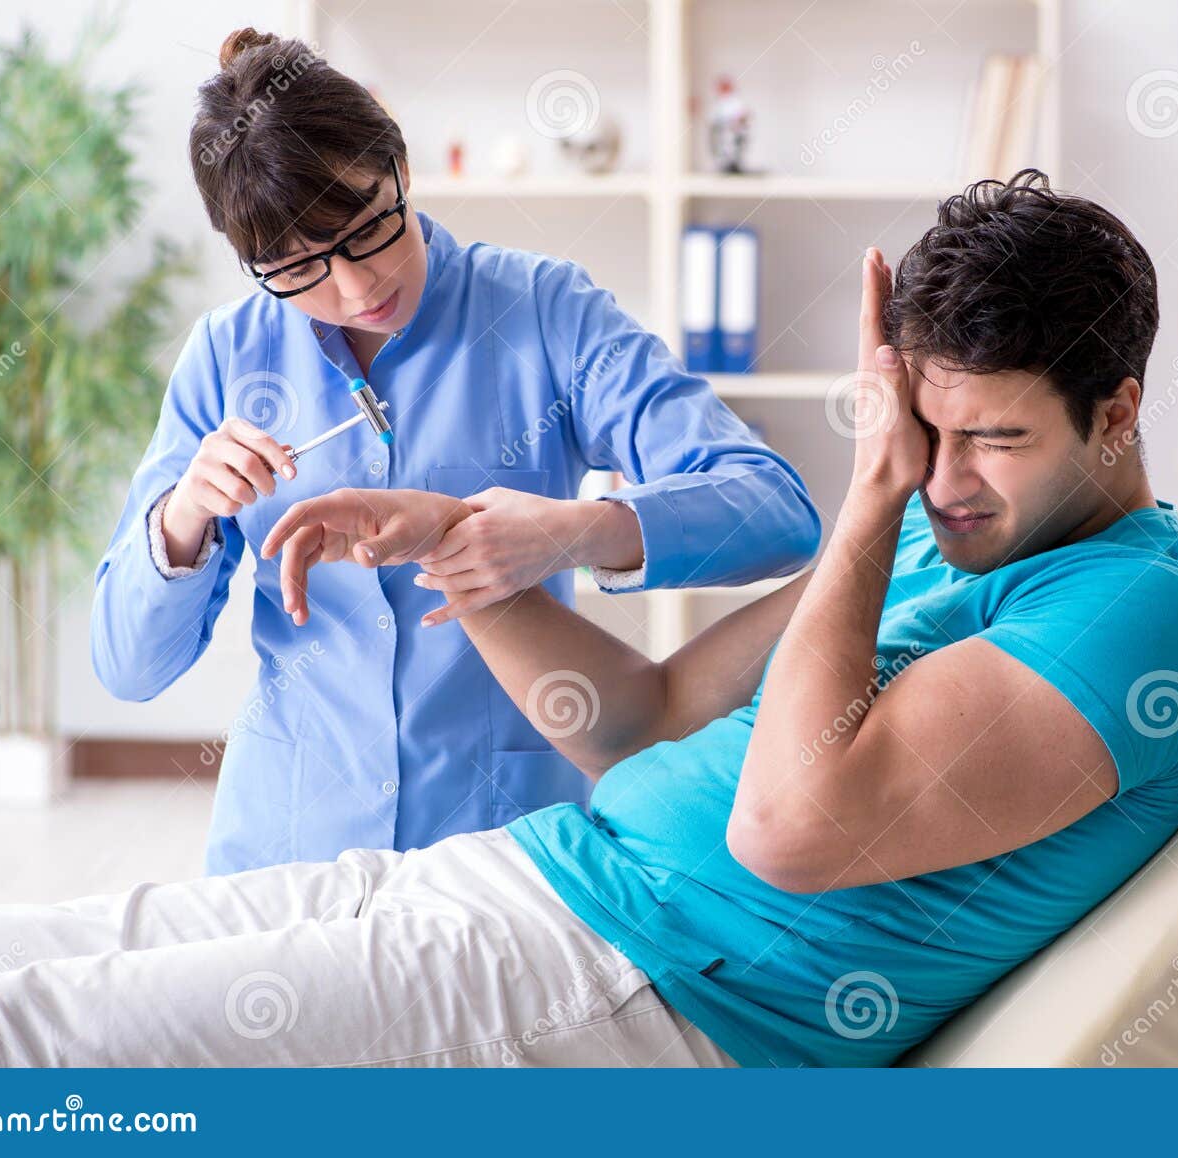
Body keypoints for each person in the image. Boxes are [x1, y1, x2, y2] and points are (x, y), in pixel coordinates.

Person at [0, 171, 1178, 1068]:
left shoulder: (1136, 617)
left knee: (26, 1033)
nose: (945, 481)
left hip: (646, 989)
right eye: (923, 433)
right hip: (535, 872)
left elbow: (786, 828)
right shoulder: (946, 551)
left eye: (991, 441)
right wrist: (460, 541)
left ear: (1117, 412)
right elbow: (641, 719)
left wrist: (871, 493)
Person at [90, 29, 819, 875]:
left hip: (504, 850)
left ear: (399, 165)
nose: (358, 288)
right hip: (288, 859)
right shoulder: (226, 354)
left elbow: (777, 512)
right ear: (253, 263)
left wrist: (577, 531)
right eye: (299, 267)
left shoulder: (546, 310)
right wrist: (183, 517)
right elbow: (128, 668)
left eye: (369, 227)